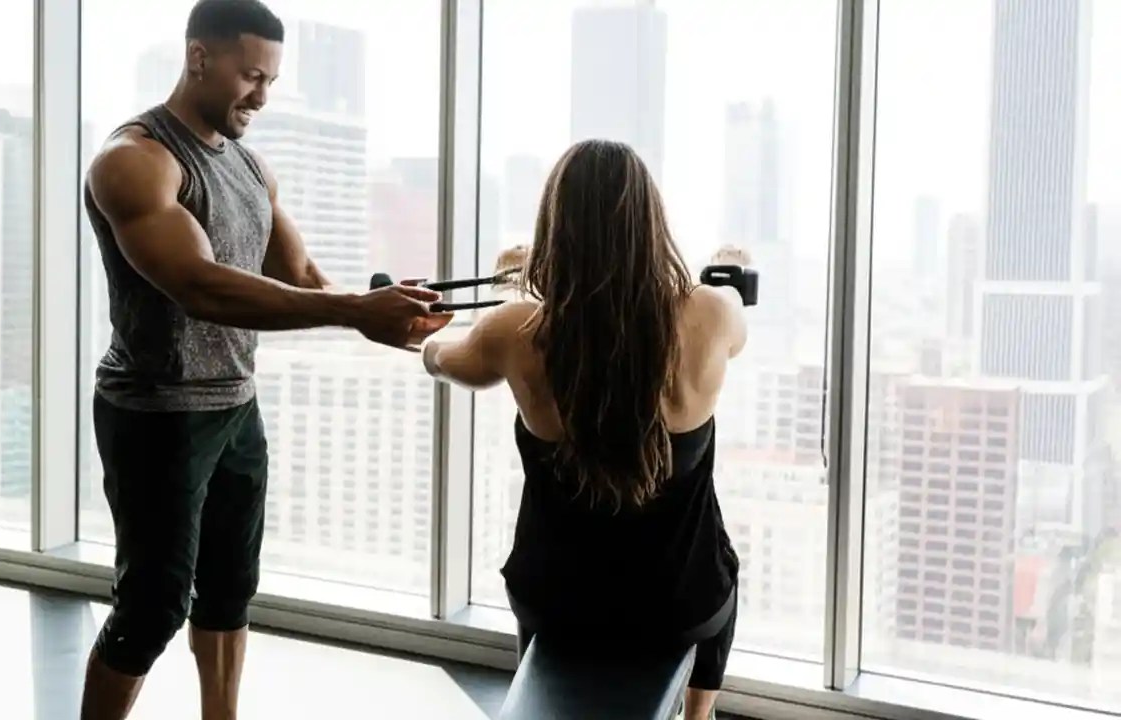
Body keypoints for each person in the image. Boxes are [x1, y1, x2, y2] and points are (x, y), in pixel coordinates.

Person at [78, 1, 450, 718]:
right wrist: (351, 311)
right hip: (156, 413)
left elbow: (301, 274)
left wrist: (400, 324)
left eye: (272, 81)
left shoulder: (249, 166)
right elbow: (201, 286)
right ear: (197, 58)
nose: (262, 97)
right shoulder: (135, 161)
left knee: (228, 587)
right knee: (152, 606)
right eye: (251, 76)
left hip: (234, 405)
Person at [420, 139, 748, 720]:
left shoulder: (515, 329)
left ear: (555, 226)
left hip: (558, 603)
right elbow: (729, 320)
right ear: (652, 225)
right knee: (718, 560)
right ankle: (698, 714)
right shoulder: (712, 314)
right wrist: (728, 264)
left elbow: (444, 359)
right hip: (678, 603)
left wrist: (496, 303)